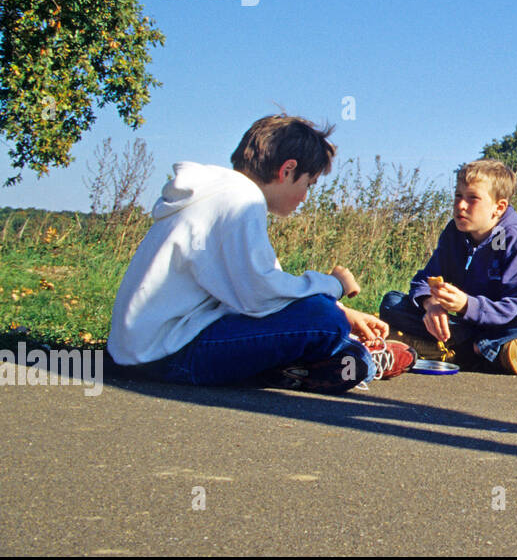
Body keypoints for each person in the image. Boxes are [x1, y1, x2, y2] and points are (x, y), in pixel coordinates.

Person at [108, 115, 414, 392]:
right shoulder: (241, 199)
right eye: (309, 183)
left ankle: (299, 366)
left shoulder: (219, 194)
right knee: (324, 322)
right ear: (287, 169)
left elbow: (252, 291)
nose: (306, 197)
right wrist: (335, 286)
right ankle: (362, 359)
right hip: (170, 355)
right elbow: (261, 297)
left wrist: (344, 312)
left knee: (329, 315)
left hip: (144, 351)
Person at [379, 159, 517, 375]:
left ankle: (478, 350)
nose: (460, 205)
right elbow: (424, 279)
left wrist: (467, 305)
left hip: (509, 326)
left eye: (472, 198)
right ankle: (495, 353)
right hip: (468, 328)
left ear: (498, 207)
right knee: (392, 302)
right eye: (458, 196)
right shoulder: (454, 233)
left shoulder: (514, 239)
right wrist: (431, 303)